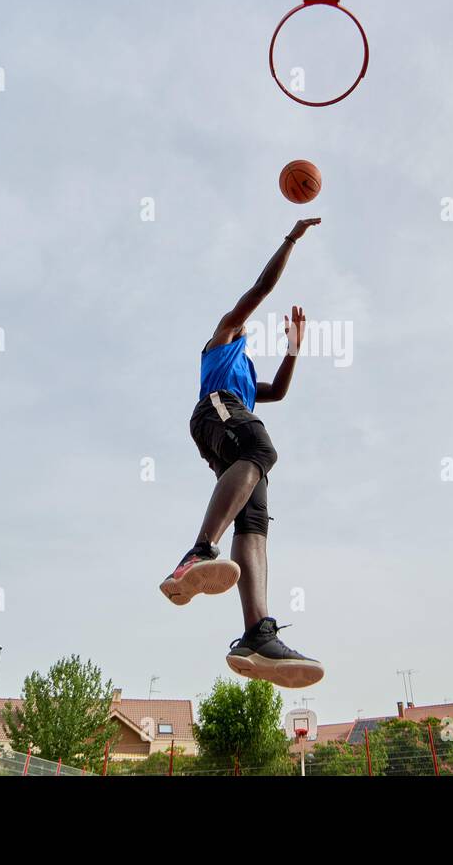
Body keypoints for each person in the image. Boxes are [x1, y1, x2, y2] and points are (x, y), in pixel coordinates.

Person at [158, 218, 324, 688]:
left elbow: (279, 391)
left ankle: (256, 634)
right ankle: (198, 553)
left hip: (230, 427)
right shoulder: (224, 337)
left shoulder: (247, 376)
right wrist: (291, 239)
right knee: (259, 446)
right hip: (216, 414)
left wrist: (293, 349)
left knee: (254, 522)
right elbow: (261, 287)